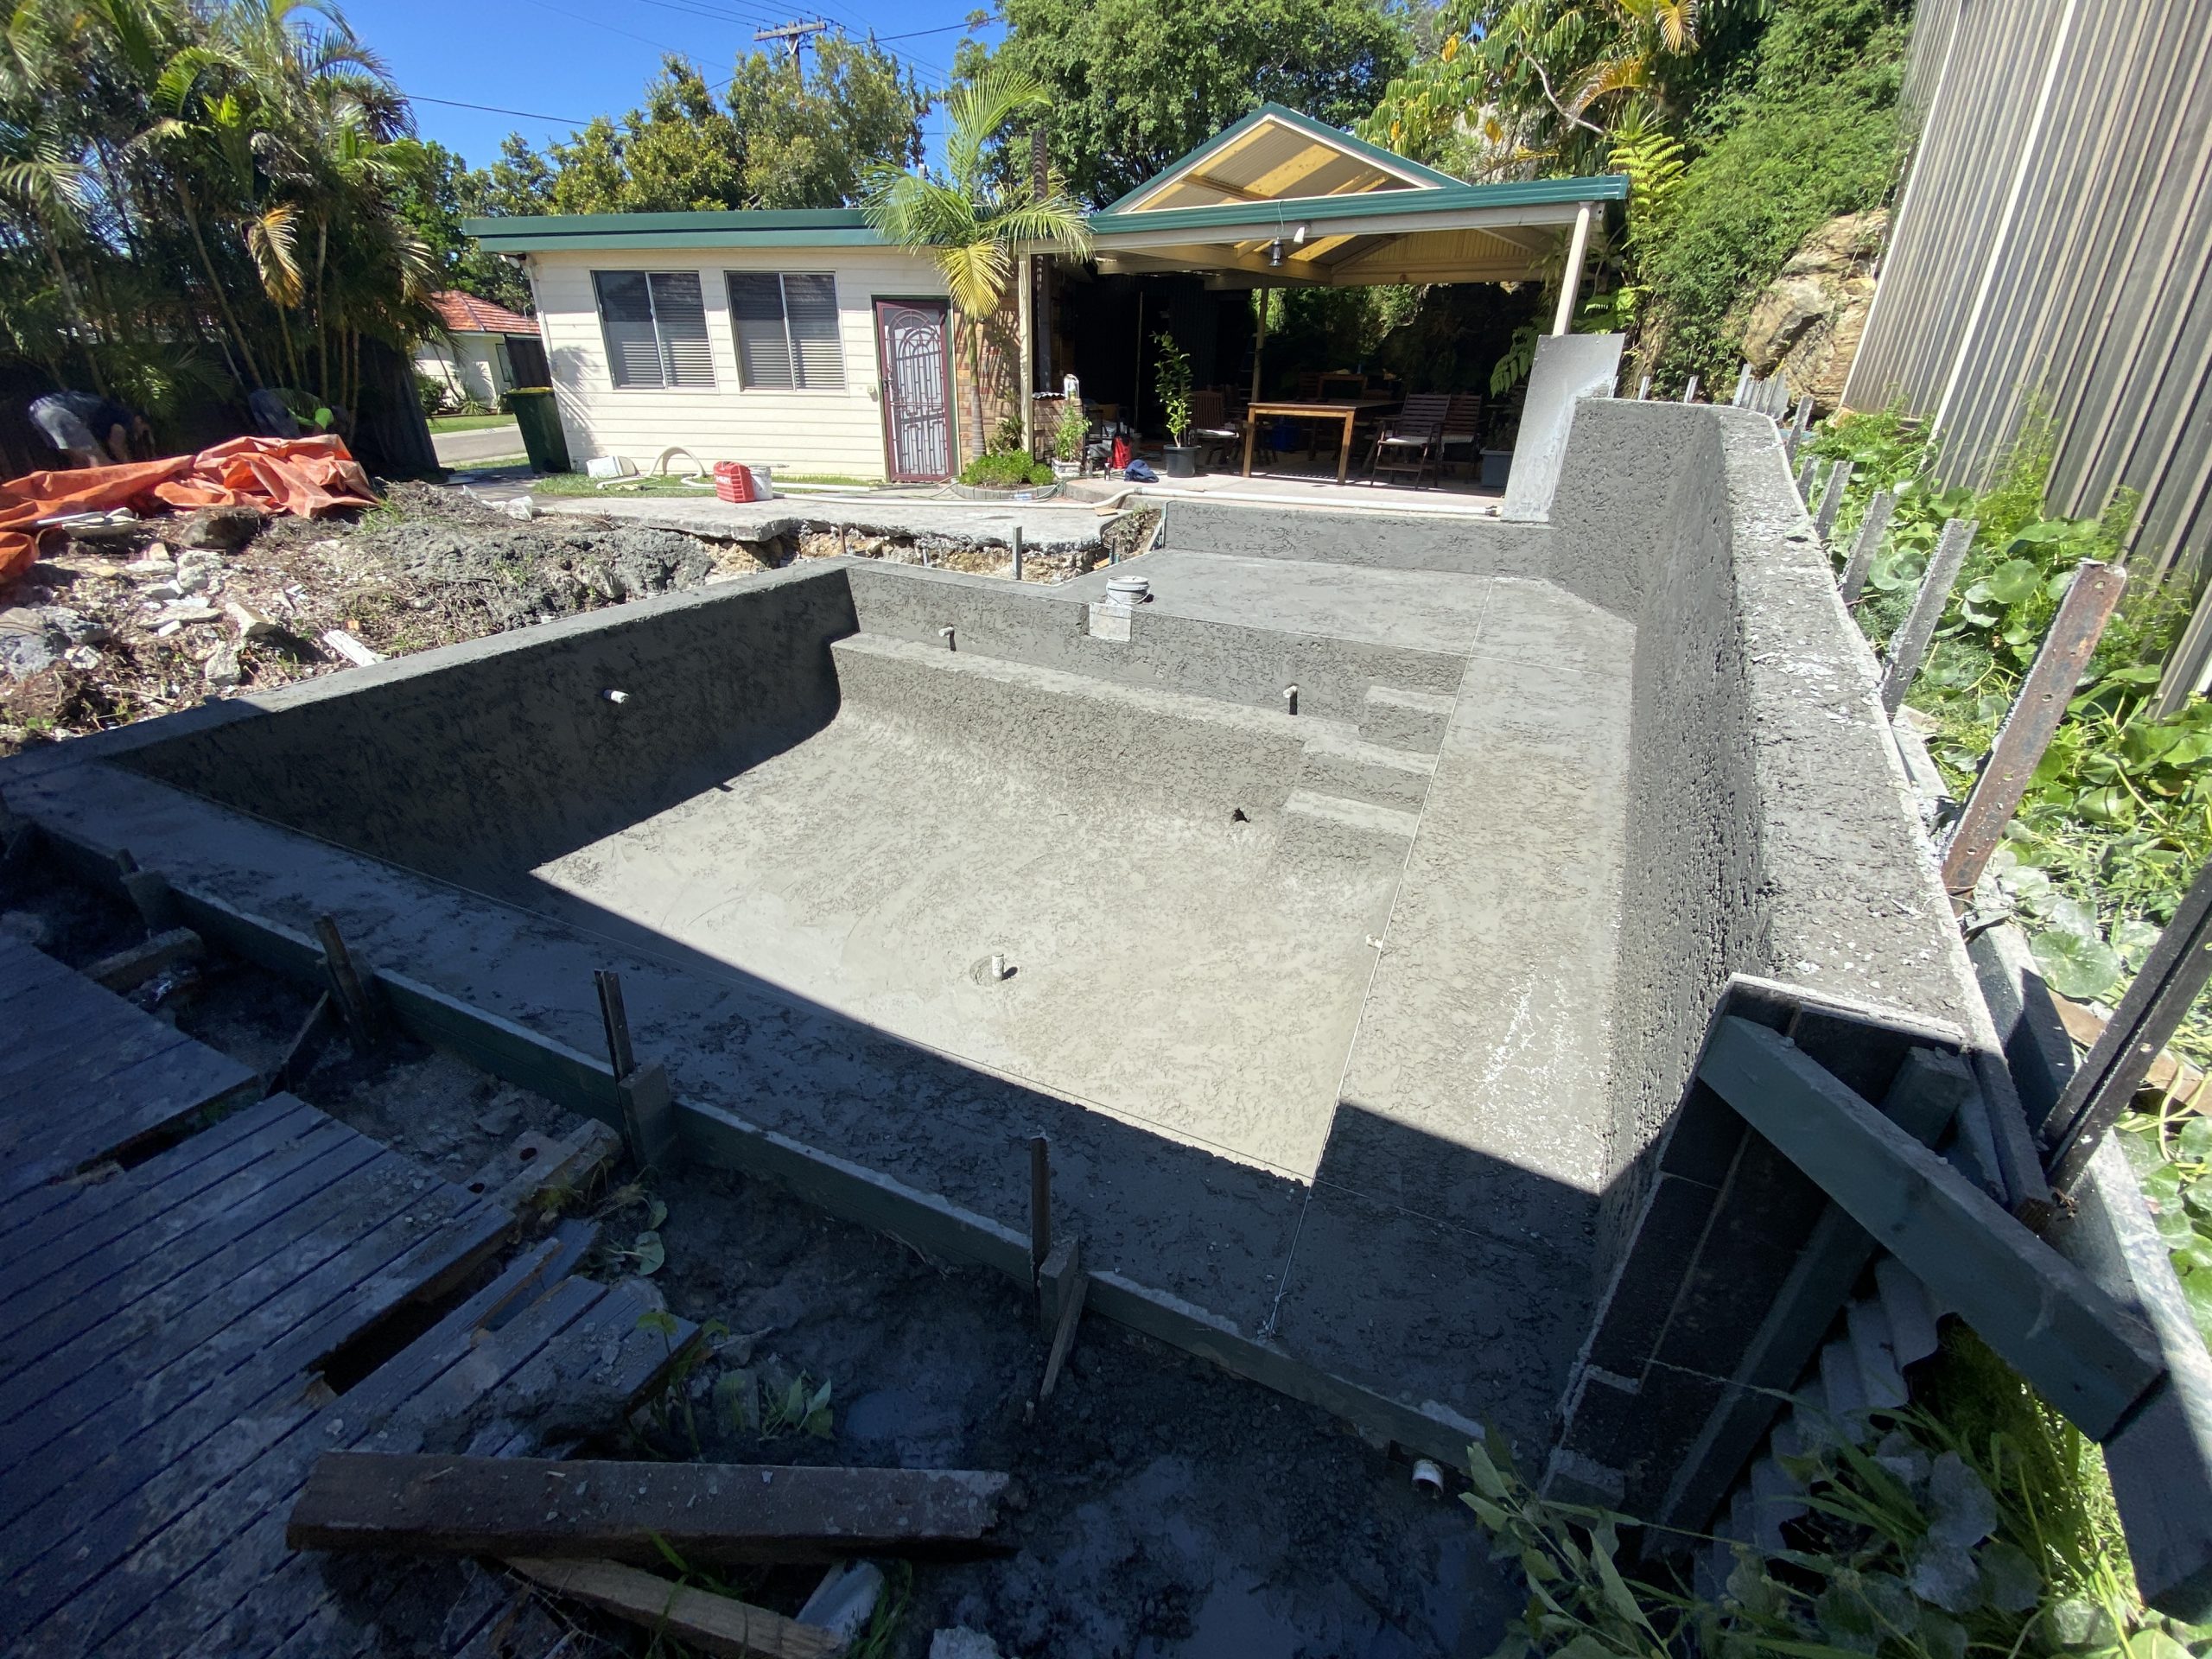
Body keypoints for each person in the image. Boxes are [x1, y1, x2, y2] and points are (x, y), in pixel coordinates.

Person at [28, 390, 152, 467]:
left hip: (37, 412)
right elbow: (115, 444)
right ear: (139, 420)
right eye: (144, 429)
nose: (141, 434)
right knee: (99, 459)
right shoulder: (126, 416)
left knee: (79, 460)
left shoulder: (107, 410)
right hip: (58, 411)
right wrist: (130, 466)